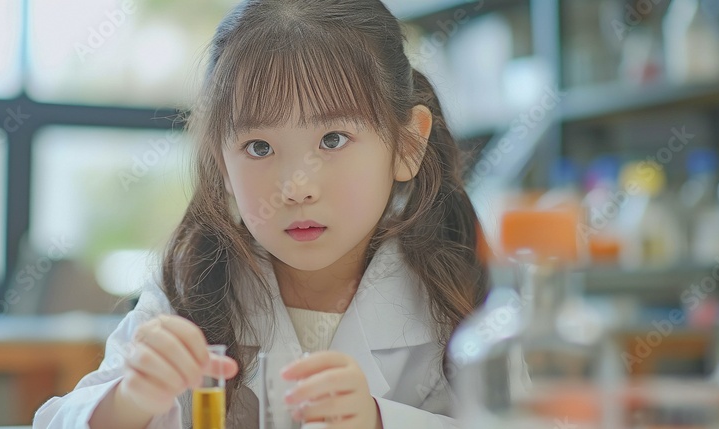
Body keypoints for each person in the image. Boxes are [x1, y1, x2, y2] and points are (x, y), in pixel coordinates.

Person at [34, 0, 489, 427]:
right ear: (222, 167)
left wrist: (379, 420)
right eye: (259, 147)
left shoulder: (453, 289)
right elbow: (57, 419)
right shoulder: (190, 282)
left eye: (333, 139)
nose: (296, 188)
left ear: (408, 145)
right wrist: (130, 400)